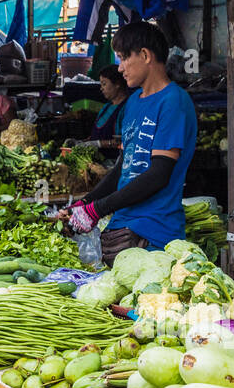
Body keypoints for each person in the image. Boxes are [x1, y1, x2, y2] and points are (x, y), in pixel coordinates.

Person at [64, 22, 197, 262]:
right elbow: (121, 170)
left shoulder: (173, 102)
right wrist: (85, 203)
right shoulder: (134, 102)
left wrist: (97, 209)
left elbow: (159, 174)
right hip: (122, 230)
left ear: (145, 55)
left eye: (124, 58)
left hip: (154, 234)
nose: (121, 68)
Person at [76, 65, 132, 152]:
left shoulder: (126, 109)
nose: (101, 88)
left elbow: (123, 141)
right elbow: (96, 135)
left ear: (117, 84)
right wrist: (81, 142)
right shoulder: (106, 107)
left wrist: (97, 144)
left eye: (104, 84)